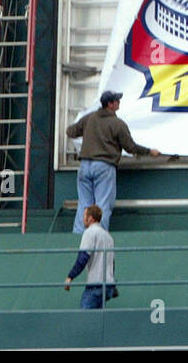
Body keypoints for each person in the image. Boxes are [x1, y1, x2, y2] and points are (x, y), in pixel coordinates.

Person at [66, 89, 160, 233]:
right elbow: (130, 147)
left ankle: (78, 236)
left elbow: (71, 131)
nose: (119, 102)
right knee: (103, 205)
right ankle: (99, 236)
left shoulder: (89, 118)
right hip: (104, 166)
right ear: (110, 104)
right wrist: (149, 151)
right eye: (117, 100)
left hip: (84, 165)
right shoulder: (117, 124)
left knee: (84, 204)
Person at [64, 204, 116, 309]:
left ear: (91, 218)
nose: (83, 219)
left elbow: (83, 258)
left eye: (84, 216)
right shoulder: (108, 236)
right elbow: (112, 263)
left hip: (95, 283)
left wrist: (70, 276)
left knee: (86, 318)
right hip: (108, 284)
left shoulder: (89, 233)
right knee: (98, 320)